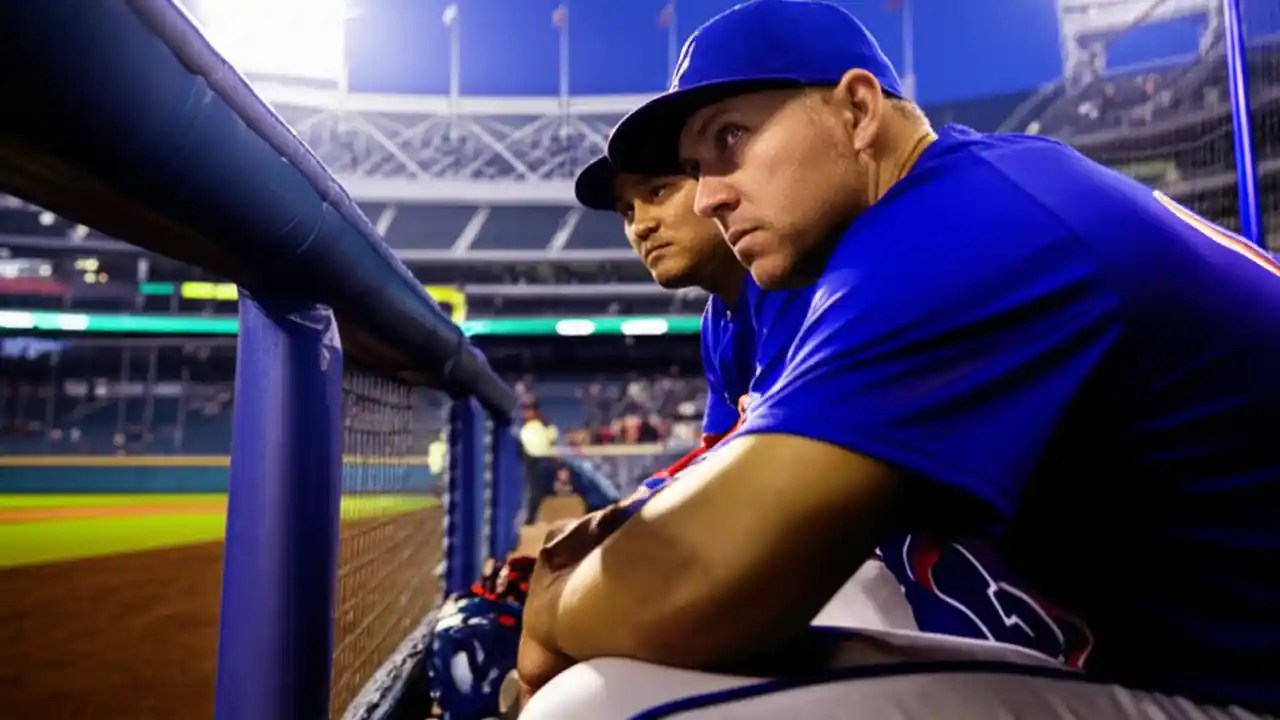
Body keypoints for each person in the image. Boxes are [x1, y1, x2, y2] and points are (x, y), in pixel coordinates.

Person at [514, 1, 1280, 718]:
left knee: (601, 706)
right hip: (1152, 656)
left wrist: (550, 612)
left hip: (1233, 692)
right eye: (696, 166)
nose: (708, 195)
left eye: (731, 140)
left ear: (856, 110)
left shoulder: (960, 229)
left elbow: (699, 575)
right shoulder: (954, 203)